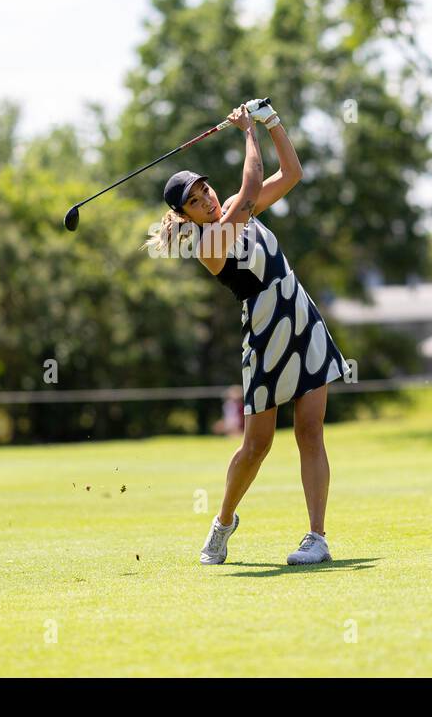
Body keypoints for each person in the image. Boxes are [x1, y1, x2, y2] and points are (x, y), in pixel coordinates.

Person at [141, 100, 346, 565]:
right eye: (195, 200)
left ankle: (317, 537)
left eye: (205, 190)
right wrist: (247, 131)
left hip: (301, 317)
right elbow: (252, 186)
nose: (207, 199)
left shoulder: (236, 210)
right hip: (265, 333)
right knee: (256, 446)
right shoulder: (209, 243)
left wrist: (273, 122)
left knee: (310, 432)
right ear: (185, 216)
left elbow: (291, 174)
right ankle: (224, 522)